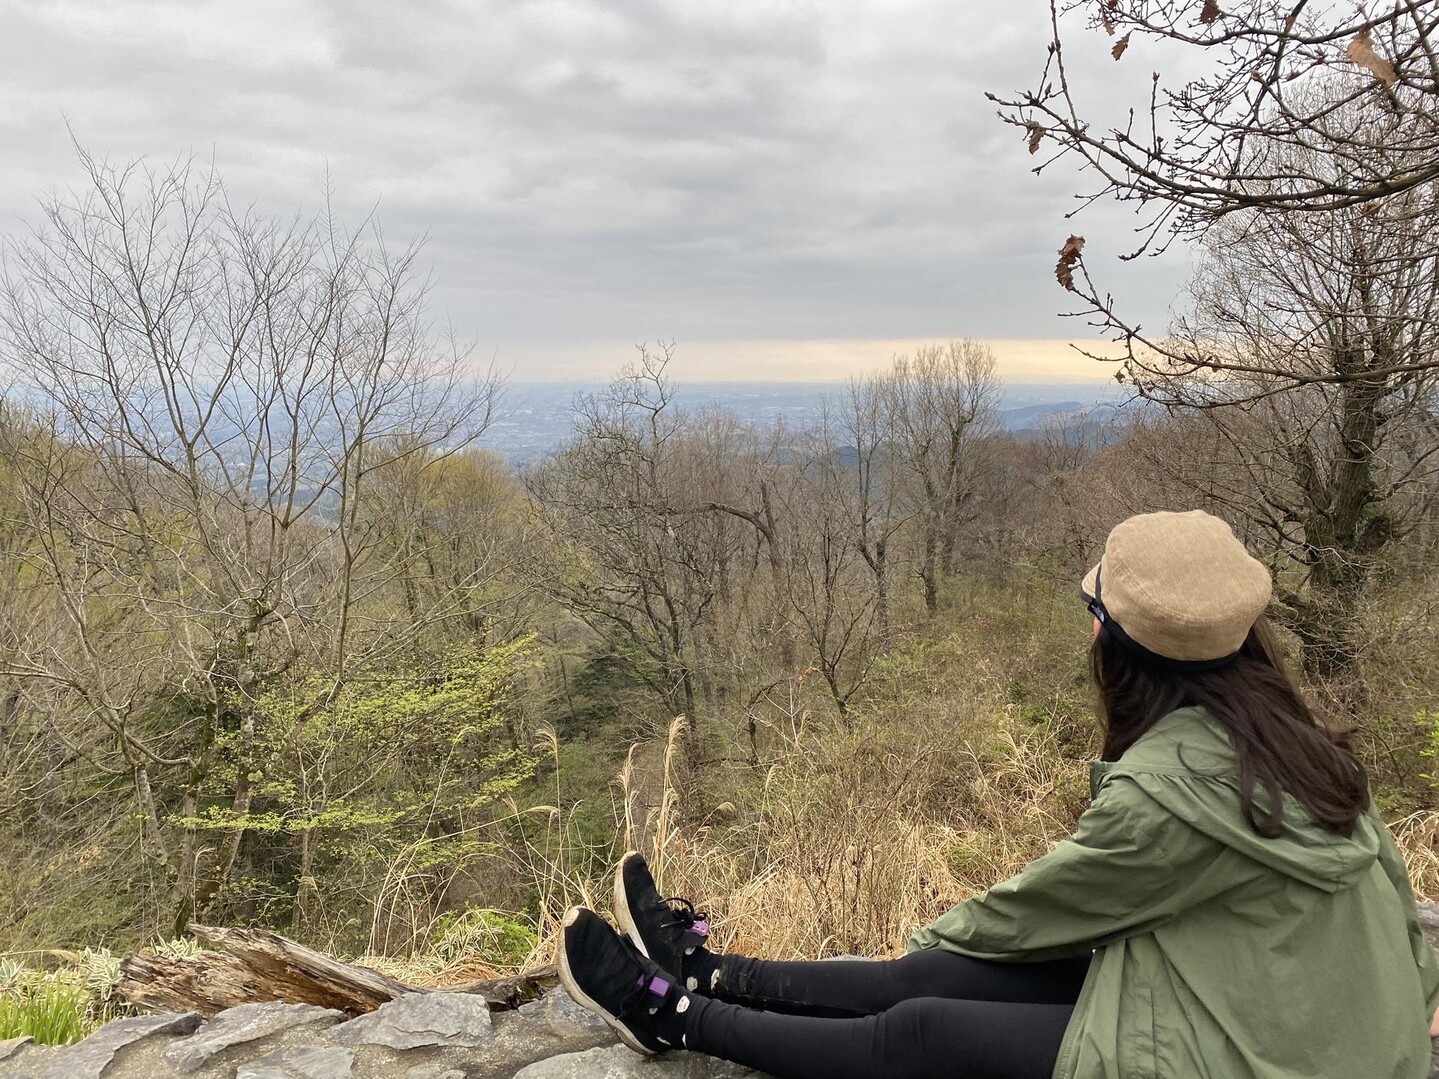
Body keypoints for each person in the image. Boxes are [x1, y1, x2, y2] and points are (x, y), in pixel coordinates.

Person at [555, 510, 1439, 1079]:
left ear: (1113, 640)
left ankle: (673, 1013)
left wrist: (932, 942)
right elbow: (1394, 900)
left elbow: (1035, 912)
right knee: (929, 980)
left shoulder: (1175, 787)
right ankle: (712, 969)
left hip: (1286, 1049)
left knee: (923, 1028)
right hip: (1295, 996)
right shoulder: (1289, 737)